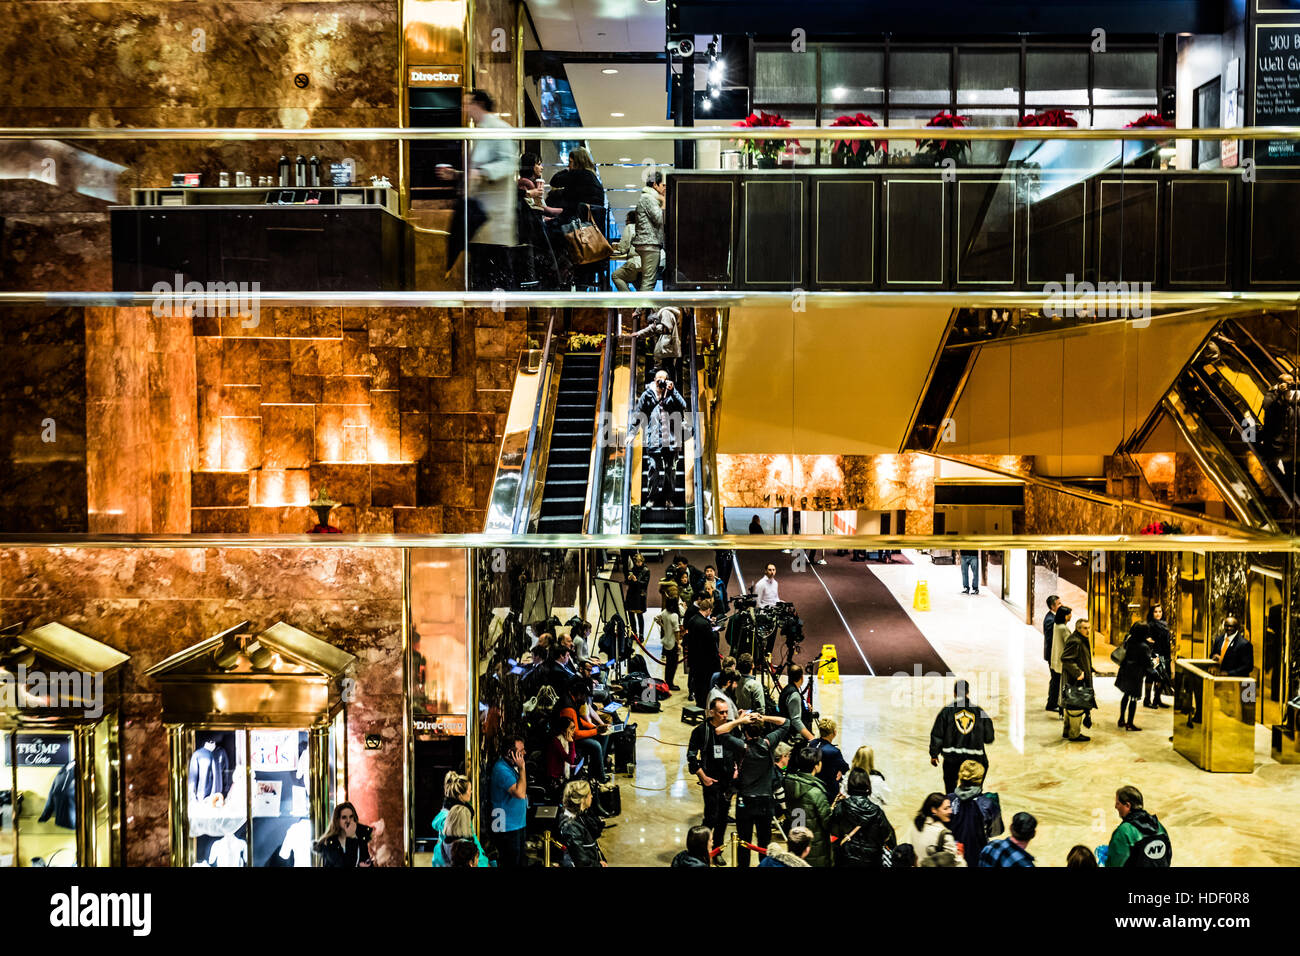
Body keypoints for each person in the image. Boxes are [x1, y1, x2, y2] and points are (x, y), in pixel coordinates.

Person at [438, 89, 517, 291]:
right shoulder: (482, 131)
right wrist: (456, 174)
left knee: (493, 282)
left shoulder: (499, 129)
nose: (465, 109)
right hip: (480, 223)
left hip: (492, 221)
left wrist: (482, 172)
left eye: (467, 104)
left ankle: (496, 318)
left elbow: (509, 164)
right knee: (481, 279)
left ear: (478, 104)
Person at [686, 696, 749, 861]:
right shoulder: (701, 731)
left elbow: (740, 749)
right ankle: (701, 850)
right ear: (711, 712)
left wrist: (737, 769)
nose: (725, 716)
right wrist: (703, 776)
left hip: (728, 781)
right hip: (711, 781)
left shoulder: (732, 729)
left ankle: (717, 850)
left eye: (727, 712)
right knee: (711, 817)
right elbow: (692, 756)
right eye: (721, 712)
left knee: (723, 818)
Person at [732, 711, 792, 867]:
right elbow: (786, 722)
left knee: (743, 842)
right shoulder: (768, 744)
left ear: (745, 731)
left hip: (744, 800)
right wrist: (763, 717)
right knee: (764, 844)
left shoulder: (740, 745)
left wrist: (740, 720)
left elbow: (721, 731)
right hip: (765, 801)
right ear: (762, 729)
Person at [627, 369, 688, 510]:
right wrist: (631, 432)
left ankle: (668, 498)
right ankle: (652, 497)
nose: (660, 381)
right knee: (653, 469)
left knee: (670, 471)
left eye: (663, 379)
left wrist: (673, 391)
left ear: (667, 380)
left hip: (672, 439)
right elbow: (638, 414)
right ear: (654, 379)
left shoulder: (672, 393)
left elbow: (683, 405)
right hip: (654, 439)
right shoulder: (647, 395)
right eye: (658, 378)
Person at [929, 680, 995, 793]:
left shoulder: (946, 711)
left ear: (954, 693)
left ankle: (953, 808)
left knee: (950, 790)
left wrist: (934, 754)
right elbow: (989, 737)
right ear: (967, 692)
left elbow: (937, 734)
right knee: (974, 789)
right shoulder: (980, 711)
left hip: (951, 758)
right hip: (975, 759)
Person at [829, 769, 897, 868]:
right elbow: (886, 834)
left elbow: (833, 830)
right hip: (871, 860)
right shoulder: (877, 811)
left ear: (849, 785)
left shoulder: (841, 807)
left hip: (845, 858)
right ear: (867, 785)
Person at [783, 747, 834, 867]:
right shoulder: (816, 792)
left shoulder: (790, 784)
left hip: (795, 840)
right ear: (816, 766)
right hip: (814, 846)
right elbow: (828, 823)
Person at [946, 760, 1004, 864]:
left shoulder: (947, 800)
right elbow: (996, 831)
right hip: (978, 857)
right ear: (980, 779)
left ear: (960, 776)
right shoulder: (988, 803)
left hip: (952, 857)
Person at [1106, 785, 1171, 867]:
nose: (1115, 807)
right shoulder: (1159, 826)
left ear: (1127, 805)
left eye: (1118, 803)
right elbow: (1168, 858)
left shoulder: (1124, 831)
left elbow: (1114, 864)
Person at [488, 736, 529, 867]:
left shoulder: (510, 766)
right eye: (521, 751)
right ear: (510, 753)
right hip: (505, 826)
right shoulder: (501, 769)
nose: (524, 753)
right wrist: (522, 768)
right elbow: (520, 793)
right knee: (510, 860)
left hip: (516, 823)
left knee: (519, 859)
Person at [629, 169, 666, 297]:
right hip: (649, 244)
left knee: (645, 281)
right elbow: (659, 219)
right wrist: (664, 203)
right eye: (663, 185)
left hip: (647, 244)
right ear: (655, 184)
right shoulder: (648, 198)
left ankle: (641, 310)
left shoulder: (648, 198)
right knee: (649, 282)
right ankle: (639, 312)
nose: (665, 189)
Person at [1059, 617, 1096, 741]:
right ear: (1078, 628)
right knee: (1076, 705)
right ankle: (1074, 734)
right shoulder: (1076, 641)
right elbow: (1066, 658)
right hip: (1074, 679)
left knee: (1071, 704)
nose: (1088, 631)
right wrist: (1078, 672)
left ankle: (1067, 731)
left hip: (1076, 677)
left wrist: (1089, 668)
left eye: (1089, 628)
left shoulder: (1080, 639)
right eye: (1085, 628)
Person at [1115, 622, 1155, 731]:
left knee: (1125, 695)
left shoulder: (1129, 640)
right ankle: (1130, 723)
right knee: (1133, 698)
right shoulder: (1144, 646)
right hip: (1136, 674)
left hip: (1125, 670)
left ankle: (1121, 719)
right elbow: (1147, 663)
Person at [558, 780, 607, 867]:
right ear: (583, 799)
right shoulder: (571, 827)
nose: (591, 796)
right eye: (589, 794)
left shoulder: (579, 814)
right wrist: (598, 865)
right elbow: (581, 861)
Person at [909, 792, 965, 867]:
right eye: (946, 808)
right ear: (934, 810)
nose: (950, 811)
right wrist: (960, 855)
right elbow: (957, 863)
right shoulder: (943, 833)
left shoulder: (916, 825)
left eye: (950, 807)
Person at [685, 593, 721, 709]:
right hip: (704, 659)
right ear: (709, 610)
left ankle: (698, 701)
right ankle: (702, 704)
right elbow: (712, 639)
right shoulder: (704, 624)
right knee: (704, 684)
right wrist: (715, 632)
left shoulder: (693, 619)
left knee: (697, 681)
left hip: (694, 656)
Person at [631, 306, 684, 383]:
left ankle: (668, 386)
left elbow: (662, 328)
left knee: (667, 368)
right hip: (667, 347)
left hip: (667, 347)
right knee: (668, 367)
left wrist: (641, 332)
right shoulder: (667, 313)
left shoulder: (666, 313)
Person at [313, 802, 374, 867]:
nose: (348, 820)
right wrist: (350, 838)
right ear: (337, 820)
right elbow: (343, 864)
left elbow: (367, 861)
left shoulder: (361, 838)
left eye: (351, 817)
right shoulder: (329, 842)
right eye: (344, 817)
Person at [778, 663, 817, 748]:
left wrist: (804, 706)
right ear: (802, 677)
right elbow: (796, 721)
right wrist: (811, 738)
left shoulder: (788, 688)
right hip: (793, 738)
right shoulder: (794, 694)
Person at [811, 716, 850, 798]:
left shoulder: (812, 743)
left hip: (812, 782)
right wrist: (839, 770)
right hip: (827, 788)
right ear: (834, 732)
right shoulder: (834, 751)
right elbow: (845, 768)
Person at [431, 770, 473, 845]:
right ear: (460, 795)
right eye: (469, 790)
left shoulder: (450, 813)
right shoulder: (456, 816)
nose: (471, 792)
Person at [1144, 603, 1172, 708]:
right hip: (1154, 655)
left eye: (1160, 611)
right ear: (1152, 613)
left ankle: (1157, 699)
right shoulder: (1150, 625)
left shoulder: (1164, 624)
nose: (1158, 614)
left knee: (1162, 677)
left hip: (1163, 655)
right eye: (1155, 612)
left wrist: (1168, 657)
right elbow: (1147, 640)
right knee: (1151, 676)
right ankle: (1147, 700)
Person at [653, 596, 682, 691]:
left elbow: (656, 618)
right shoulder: (674, 615)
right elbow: (676, 631)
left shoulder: (664, 612)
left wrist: (662, 625)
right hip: (673, 643)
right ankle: (670, 683)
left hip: (666, 641)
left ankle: (667, 681)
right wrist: (678, 643)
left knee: (668, 664)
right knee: (673, 665)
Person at [610, 211, 643, 292]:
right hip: (649, 263)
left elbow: (623, 247)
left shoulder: (630, 227)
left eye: (627, 219)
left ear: (630, 220)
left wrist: (618, 249)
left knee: (616, 275)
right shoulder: (643, 228)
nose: (625, 221)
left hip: (636, 262)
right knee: (637, 282)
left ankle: (629, 302)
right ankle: (642, 303)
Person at [1050, 604, 1073, 717]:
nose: (1071, 616)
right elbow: (1070, 644)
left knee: (1059, 685)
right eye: (1069, 614)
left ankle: (1060, 710)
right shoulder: (1063, 629)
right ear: (1065, 616)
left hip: (1055, 659)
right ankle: (1062, 709)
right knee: (1063, 687)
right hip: (1062, 662)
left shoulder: (1056, 625)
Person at [546, 715, 579, 793]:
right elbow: (570, 760)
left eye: (574, 727)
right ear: (564, 730)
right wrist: (571, 743)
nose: (574, 730)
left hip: (561, 772)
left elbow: (571, 758)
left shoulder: (565, 739)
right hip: (555, 777)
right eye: (571, 728)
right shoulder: (556, 741)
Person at [623, 551, 650, 640]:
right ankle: (634, 633)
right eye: (636, 562)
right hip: (631, 594)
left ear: (642, 561)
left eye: (639, 562)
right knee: (631, 615)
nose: (638, 563)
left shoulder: (646, 570)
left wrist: (635, 581)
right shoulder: (633, 569)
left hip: (639, 595)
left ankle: (641, 635)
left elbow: (644, 584)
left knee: (639, 615)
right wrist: (629, 579)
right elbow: (627, 583)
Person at [1042, 594, 1061, 712]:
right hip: (1052, 655)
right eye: (1059, 604)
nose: (1061, 605)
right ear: (1052, 607)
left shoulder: (1053, 618)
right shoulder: (1050, 620)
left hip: (1054, 654)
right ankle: (1051, 703)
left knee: (1056, 678)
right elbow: (1051, 639)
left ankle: (1053, 701)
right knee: (1055, 679)